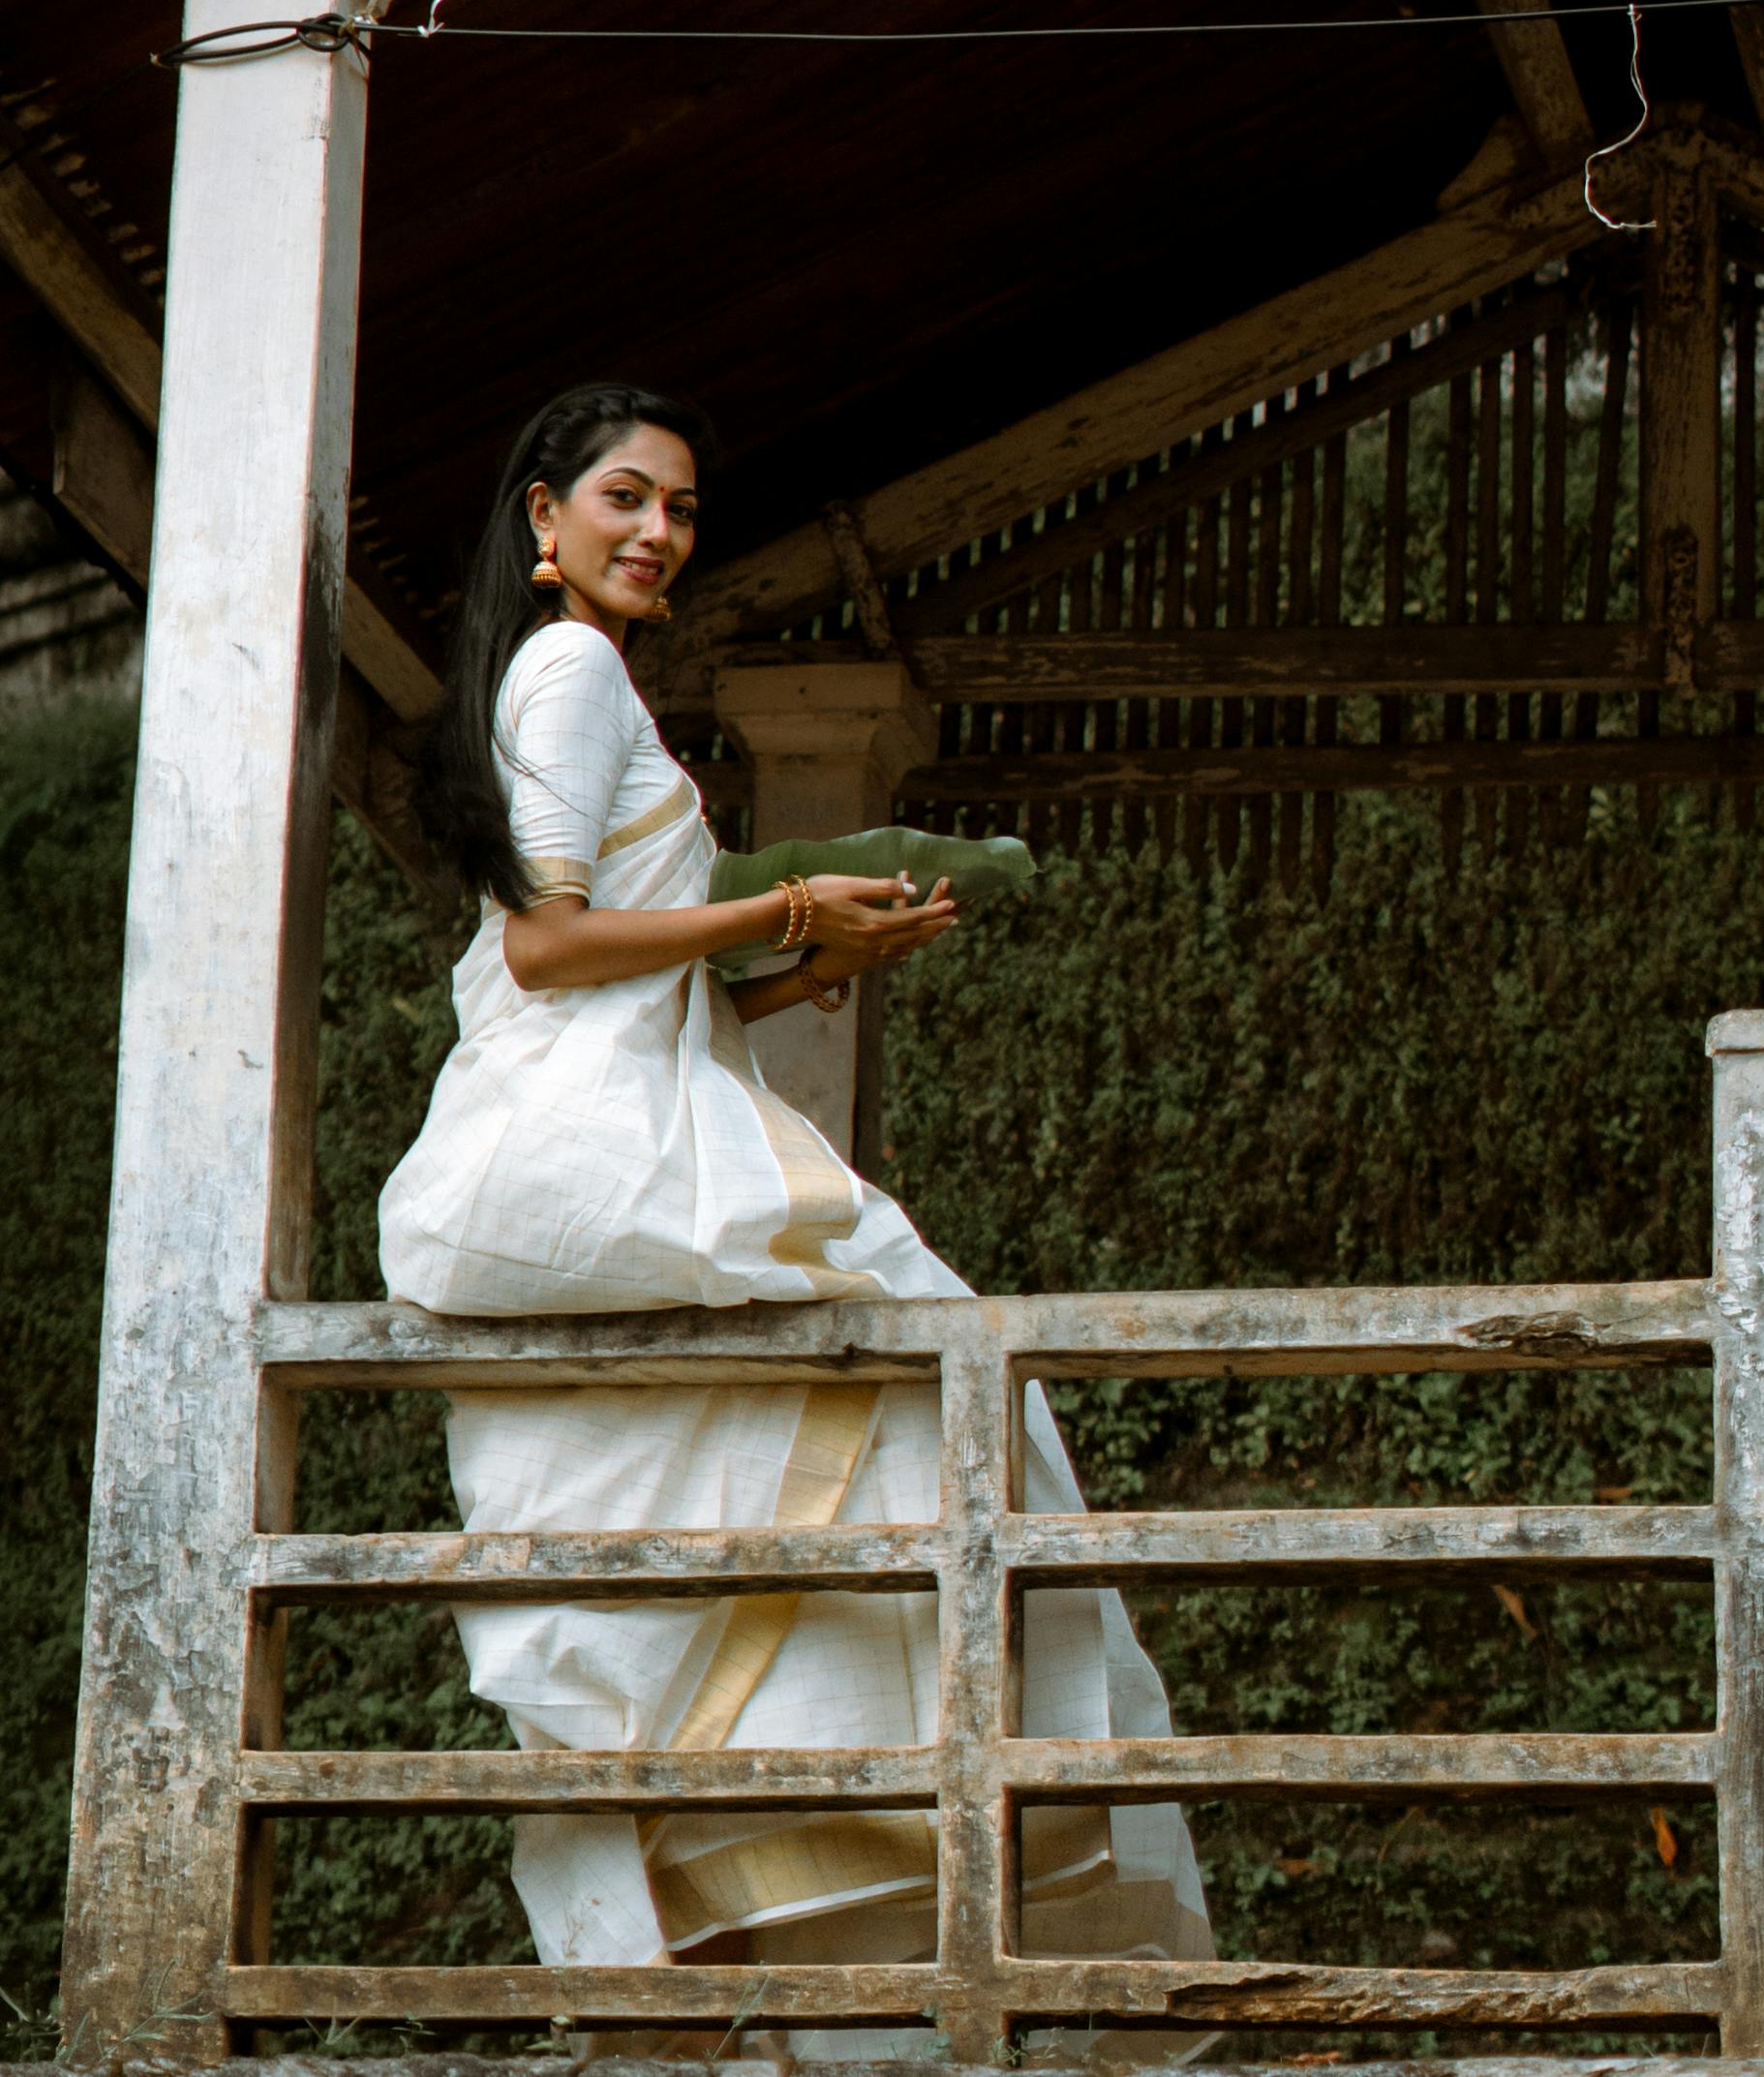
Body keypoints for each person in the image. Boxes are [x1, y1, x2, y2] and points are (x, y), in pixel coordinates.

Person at [380, 381, 1214, 2023]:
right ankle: (940, 1811)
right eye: (625, 497)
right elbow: (547, 948)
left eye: (681, 509)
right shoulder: (567, 671)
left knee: (864, 1404)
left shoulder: (582, 678)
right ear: (543, 517)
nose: (657, 532)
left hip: (615, 1099)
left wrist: (817, 959)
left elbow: (636, 983)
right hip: (584, 1129)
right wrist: (778, 905)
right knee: (936, 1364)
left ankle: (797, 1825)